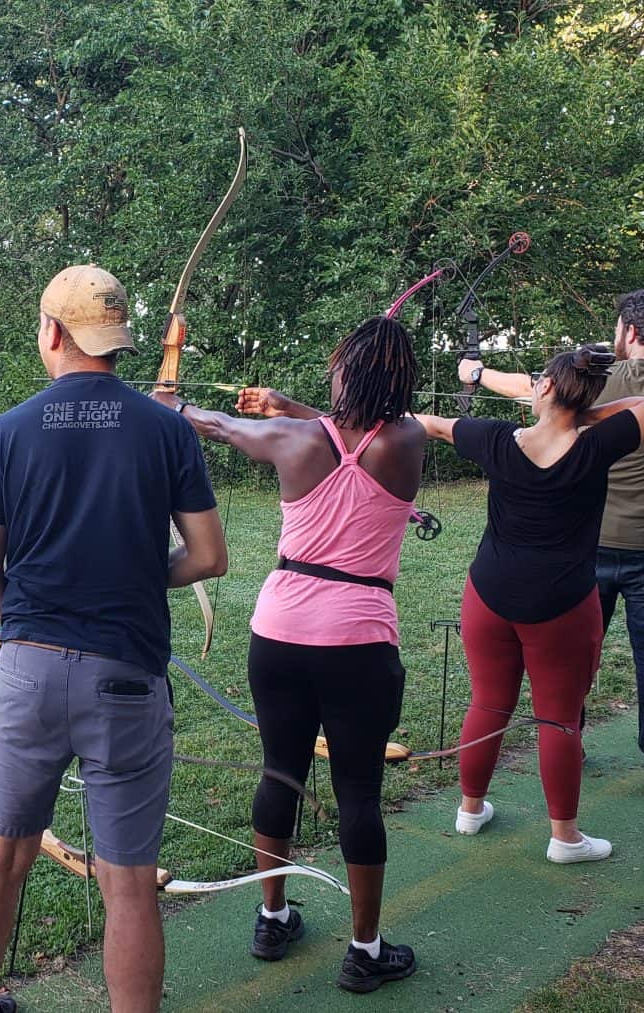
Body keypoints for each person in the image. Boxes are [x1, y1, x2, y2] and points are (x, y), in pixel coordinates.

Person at [0, 265, 227, 1013]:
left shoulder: (9, 431)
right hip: (127, 675)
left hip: (29, 669)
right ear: (115, 340)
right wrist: (136, 577)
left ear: (52, 332)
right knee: (128, 878)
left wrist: (26, 622)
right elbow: (209, 556)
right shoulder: (164, 428)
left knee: (3, 853)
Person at [171, 315, 427, 993]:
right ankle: (365, 950)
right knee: (358, 793)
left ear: (347, 373)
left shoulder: (293, 437)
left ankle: (272, 914)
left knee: (280, 771)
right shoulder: (407, 441)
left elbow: (227, 428)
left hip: (280, 633)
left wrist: (179, 405)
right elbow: (356, 433)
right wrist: (293, 406)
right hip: (360, 642)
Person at [462, 290, 644, 798]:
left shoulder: (592, 379)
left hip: (588, 549)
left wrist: (476, 375)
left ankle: (568, 742)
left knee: (574, 658)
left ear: (629, 333)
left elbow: (527, 389)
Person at [419, 347, 644, 861]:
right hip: (561, 604)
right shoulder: (596, 445)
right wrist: (580, 411)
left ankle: (470, 811)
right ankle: (564, 838)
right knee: (559, 720)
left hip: (489, 594)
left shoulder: (494, 438)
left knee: (488, 702)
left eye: (538, 382)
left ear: (548, 388)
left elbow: (429, 424)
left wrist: (550, 401)